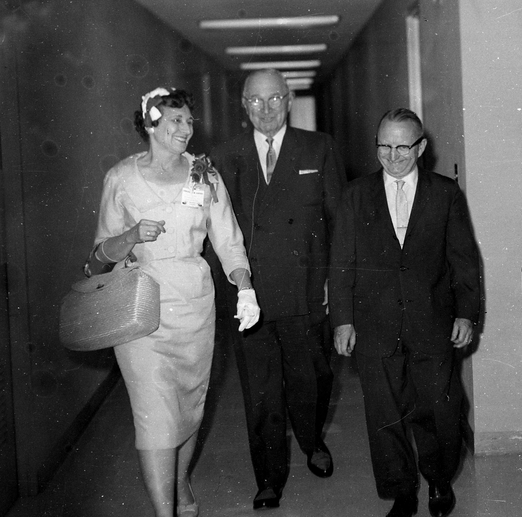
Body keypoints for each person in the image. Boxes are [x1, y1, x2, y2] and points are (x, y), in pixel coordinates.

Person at [85, 87, 261, 517]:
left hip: (194, 307)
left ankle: (179, 480)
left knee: (189, 408)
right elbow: (95, 261)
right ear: (150, 123)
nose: (186, 129)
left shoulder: (203, 173)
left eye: (189, 121)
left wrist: (245, 288)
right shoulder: (121, 179)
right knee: (154, 415)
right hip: (140, 310)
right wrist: (129, 237)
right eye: (176, 121)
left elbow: (228, 240)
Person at [329, 108, 481, 517]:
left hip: (432, 320)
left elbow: (464, 260)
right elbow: (341, 262)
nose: (392, 156)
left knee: (439, 407)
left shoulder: (445, 194)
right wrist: (342, 319)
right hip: (374, 323)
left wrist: (466, 313)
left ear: (421, 147)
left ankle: (438, 481)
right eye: (384, 146)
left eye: (402, 146)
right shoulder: (355, 195)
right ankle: (401, 491)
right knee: (385, 412)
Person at [214, 69, 346, 510]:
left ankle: (312, 441)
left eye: (274, 99)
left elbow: (339, 223)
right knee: (261, 388)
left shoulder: (319, 147)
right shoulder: (225, 156)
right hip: (250, 294)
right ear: (243, 105)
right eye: (255, 100)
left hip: (308, 289)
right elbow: (214, 229)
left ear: (288, 100)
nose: (265, 109)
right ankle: (269, 476)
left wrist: (333, 281)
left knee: (312, 377)